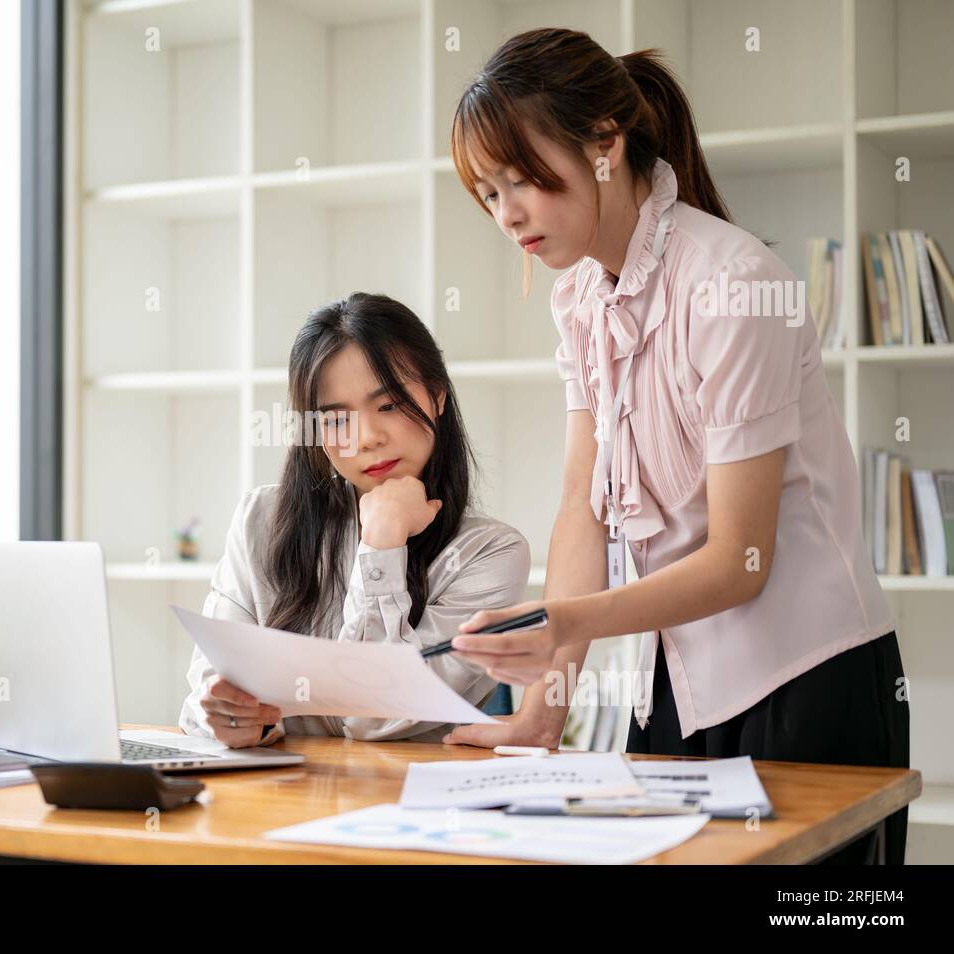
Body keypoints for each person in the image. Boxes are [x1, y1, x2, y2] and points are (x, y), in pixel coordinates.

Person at [441, 29, 908, 864]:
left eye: (520, 178)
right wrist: (546, 705)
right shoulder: (581, 298)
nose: (505, 213)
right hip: (673, 685)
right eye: (486, 191)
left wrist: (562, 622)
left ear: (605, 145)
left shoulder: (735, 283)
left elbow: (743, 558)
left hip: (807, 682)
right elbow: (582, 509)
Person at [178, 292, 530, 747]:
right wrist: (234, 719)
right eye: (337, 419)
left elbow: (371, 716)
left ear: (438, 396)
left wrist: (383, 543)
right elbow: (202, 700)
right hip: (276, 800)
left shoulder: (491, 554)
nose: (366, 438)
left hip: (412, 804)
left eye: (388, 405)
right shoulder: (260, 522)